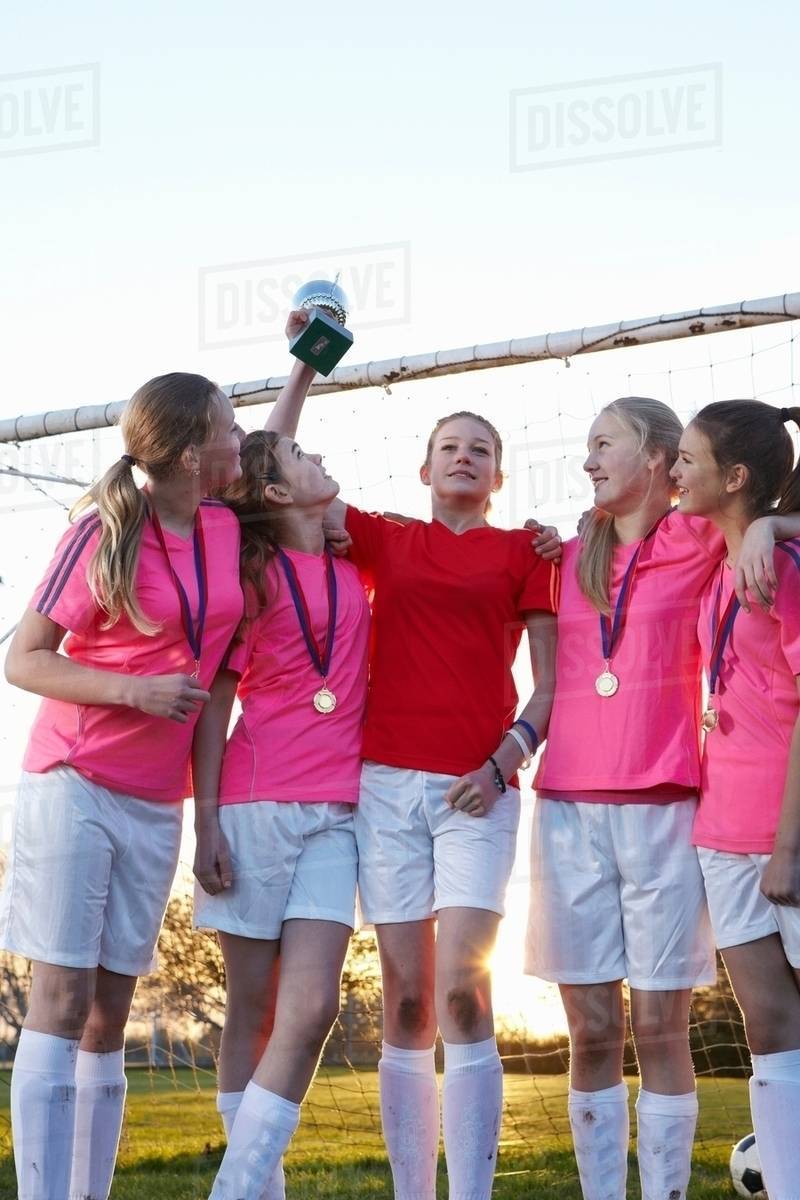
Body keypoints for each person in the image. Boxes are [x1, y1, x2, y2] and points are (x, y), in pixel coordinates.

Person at [260, 358, 559, 1200]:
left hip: (479, 788)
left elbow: (554, 681)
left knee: (465, 992)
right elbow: (271, 462)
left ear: (498, 476)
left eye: (481, 449)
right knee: (406, 1005)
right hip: (384, 787)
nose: (464, 457)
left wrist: (506, 761)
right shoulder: (385, 538)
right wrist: (304, 368)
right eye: (449, 447)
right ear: (426, 469)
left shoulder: (526, 554)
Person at [525, 395, 800, 1200]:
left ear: (657, 459)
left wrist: (771, 526)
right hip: (572, 808)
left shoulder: (707, 540)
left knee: (660, 1026)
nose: (587, 460)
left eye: (603, 442)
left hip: (675, 808)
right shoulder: (562, 553)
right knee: (594, 1030)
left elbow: (770, 504)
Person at [0, 373, 243, 1200]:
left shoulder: (221, 523)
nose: (240, 441)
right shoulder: (105, 531)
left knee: (112, 1014)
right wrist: (132, 691)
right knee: (62, 1000)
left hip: (155, 799)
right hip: (73, 782)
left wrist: (308, 364)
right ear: (188, 454)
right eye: (228, 430)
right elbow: (23, 659)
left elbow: (272, 446)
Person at [194, 419, 370, 1200]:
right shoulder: (251, 576)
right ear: (271, 490)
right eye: (302, 457)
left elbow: (279, 454)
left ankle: (231, 1190)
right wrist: (204, 823)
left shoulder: (353, 563)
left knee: (314, 1008)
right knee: (254, 1010)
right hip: (253, 805)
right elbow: (214, 702)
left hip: (337, 812)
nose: (318, 455)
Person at [672, 399, 800, 1200]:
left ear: (737, 476)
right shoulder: (719, 558)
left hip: (787, 835)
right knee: (766, 1026)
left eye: (687, 459)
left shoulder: (780, 568)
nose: (674, 471)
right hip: (721, 833)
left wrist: (788, 845)